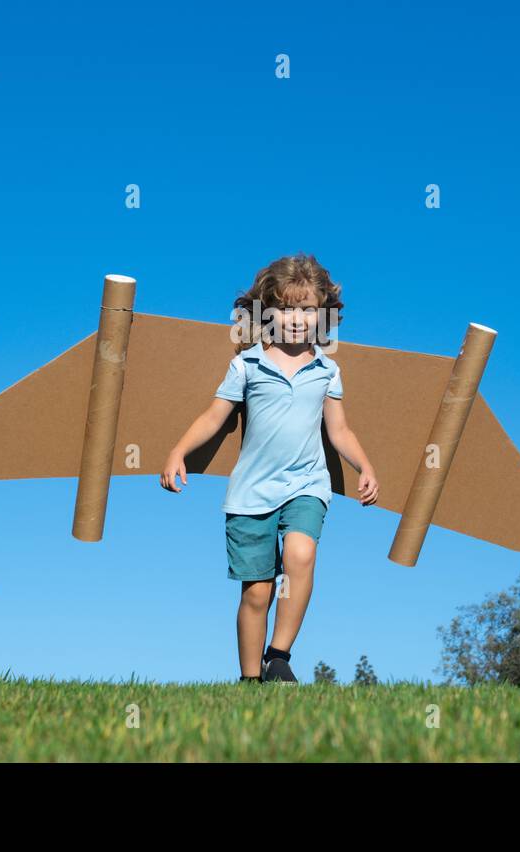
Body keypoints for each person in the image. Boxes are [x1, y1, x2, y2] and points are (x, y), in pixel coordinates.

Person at [160, 253, 378, 684]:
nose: (297, 318)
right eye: (287, 308)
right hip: (251, 492)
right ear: (267, 311)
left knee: (302, 553)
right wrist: (177, 452)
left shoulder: (327, 371)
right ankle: (249, 680)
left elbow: (339, 431)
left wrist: (364, 467)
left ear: (323, 316)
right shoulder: (247, 364)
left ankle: (278, 656)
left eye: (308, 310)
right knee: (257, 592)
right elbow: (214, 416)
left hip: (306, 484)